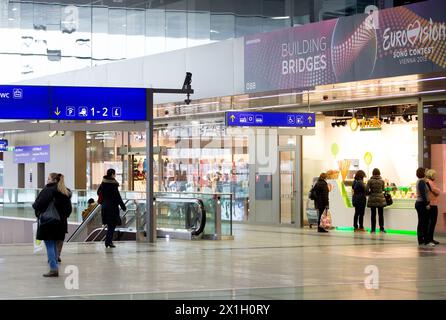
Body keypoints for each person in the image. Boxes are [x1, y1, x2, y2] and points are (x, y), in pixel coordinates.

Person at [32, 173, 72, 277]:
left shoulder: (48, 190)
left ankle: (53, 269)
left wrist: (36, 207)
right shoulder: (65, 191)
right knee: (54, 244)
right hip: (61, 222)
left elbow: (38, 204)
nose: (47, 180)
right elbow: (69, 210)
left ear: (54, 180)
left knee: (49, 245)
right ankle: (54, 267)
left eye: (48, 178)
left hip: (48, 222)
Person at [97, 169, 126, 248]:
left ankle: (108, 241)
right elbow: (117, 196)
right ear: (113, 174)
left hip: (104, 206)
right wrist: (123, 206)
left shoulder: (103, 182)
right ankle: (108, 242)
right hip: (112, 207)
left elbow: (98, 192)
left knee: (110, 225)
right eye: (114, 174)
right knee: (112, 225)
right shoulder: (113, 184)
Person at [366, 168, 386, 234]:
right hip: (380, 199)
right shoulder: (382, 181)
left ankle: (373, 230)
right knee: (381, 214)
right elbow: (383, 189)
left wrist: (370, 194)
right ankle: (382, 229)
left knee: (373, 215)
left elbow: (366, 190)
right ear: (379, 173)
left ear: (373, 173)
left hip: (372, 199)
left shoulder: (369, 181)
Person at [426, 169, 440, 245]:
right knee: (432, 222)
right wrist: (438, 191)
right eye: (434, 175)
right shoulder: (430, 182)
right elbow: (436, 191)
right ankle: (430, 239)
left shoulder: (428, 182)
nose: (435, 176)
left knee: (430, 222)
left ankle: (430, 238)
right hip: (432, 204)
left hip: (431, 204)